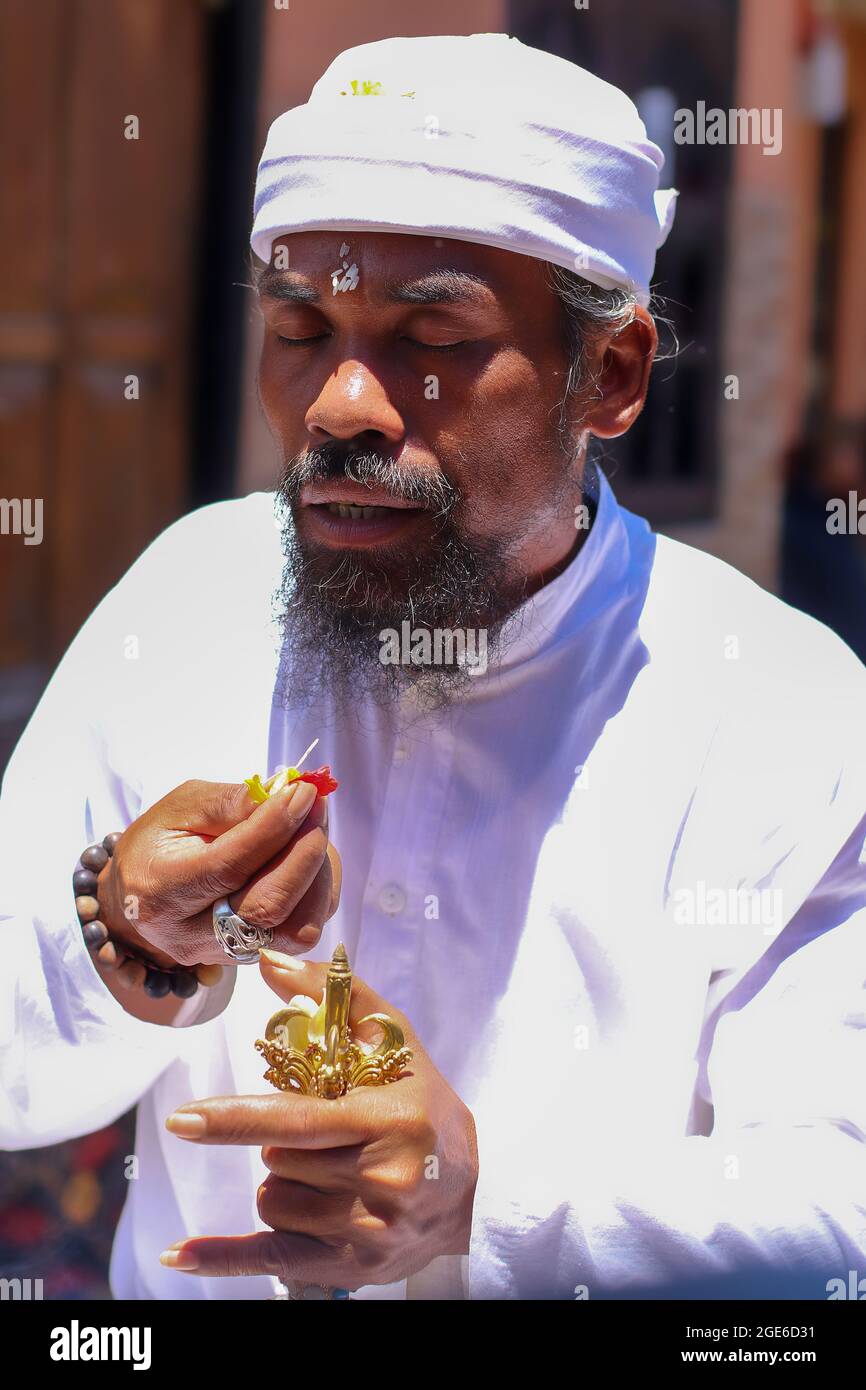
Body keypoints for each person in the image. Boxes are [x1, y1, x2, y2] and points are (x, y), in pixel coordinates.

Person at [1, 32, 864, 1301]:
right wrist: (125, 937)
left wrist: (488, 1208)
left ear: (608, 375)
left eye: (431, 334)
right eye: (300, 327)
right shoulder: (191, 598)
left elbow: (835, 1215)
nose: (342, 404)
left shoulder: (790, 716)